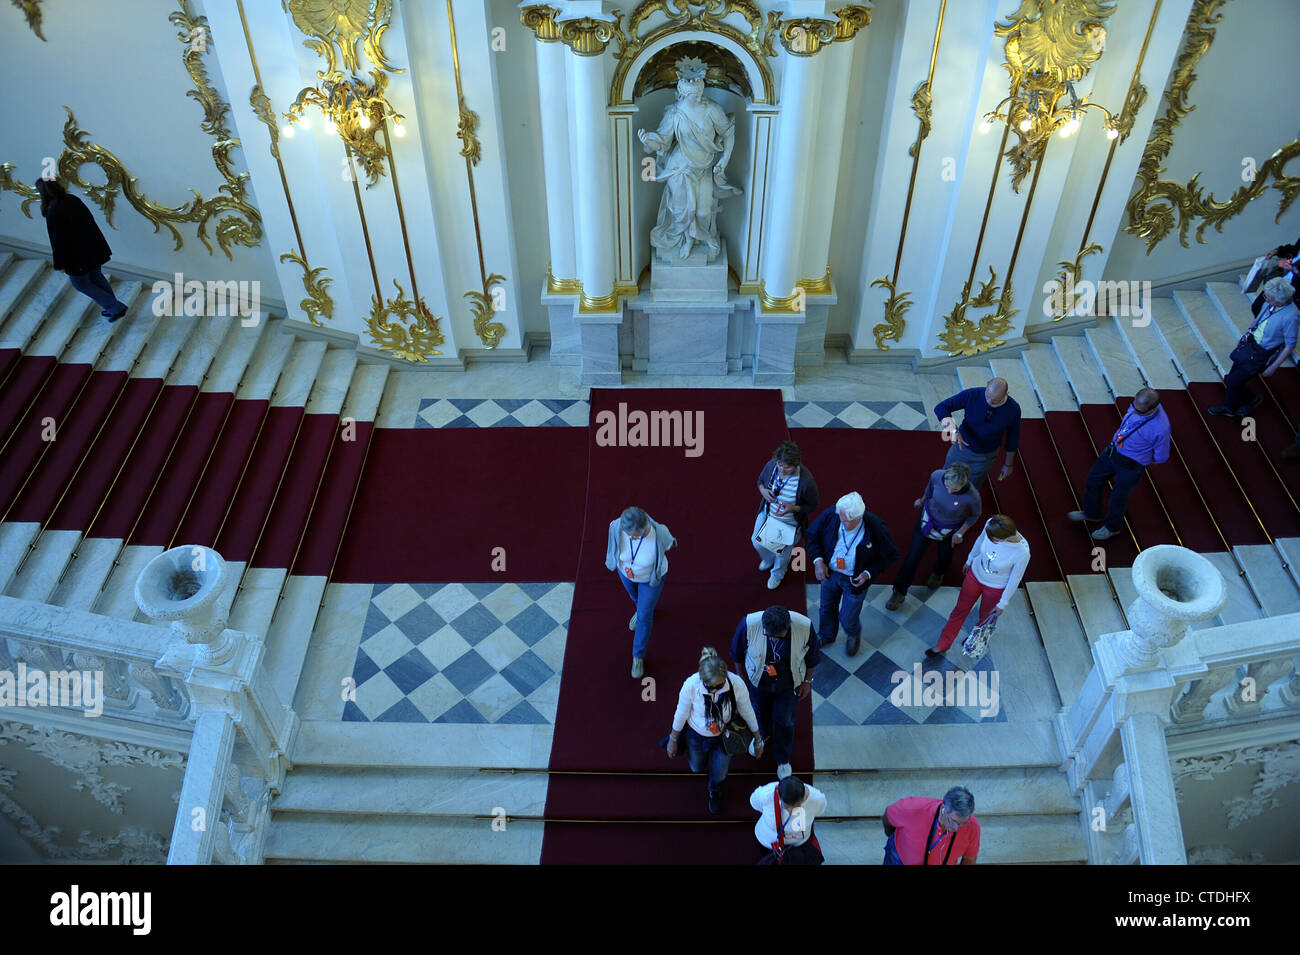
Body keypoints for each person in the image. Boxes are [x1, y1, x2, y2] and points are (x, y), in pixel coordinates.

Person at [637, 57, 742, 262]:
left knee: (703, 211)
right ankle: (687, 239)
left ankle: (703, 236)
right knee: (682, 210)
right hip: (679, 168)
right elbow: (663, 140)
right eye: (694, 95)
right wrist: (648, 141)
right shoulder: (675, 113)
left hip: (704, 166)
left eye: (700, 93)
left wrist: (725, 160)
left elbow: (728, 132)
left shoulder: (712, 109)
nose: (698, 98)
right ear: (684, 93)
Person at [667, 647, 763, 814]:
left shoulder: (736, 684)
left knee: (719, 773)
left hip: (724, 736)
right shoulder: (691, 685)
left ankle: (715, 790)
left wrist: (758, 738)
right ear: (703, 680)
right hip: (696, 735)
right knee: (697, 767)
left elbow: (747, 711)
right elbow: (681, 713)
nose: (716, 691)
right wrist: (673, 738)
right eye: (711, 688)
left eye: (720, 686)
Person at [1068, 387, 1170, 540]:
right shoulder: (1138, 406)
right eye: (1134, 405)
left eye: (1140, 411)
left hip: (1130, 466)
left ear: (1153, 409)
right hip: (1112, 451)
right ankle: (1091, 513)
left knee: (1118, 498)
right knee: (1093, 480)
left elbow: (1161, 456)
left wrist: (1141, 459)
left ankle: (1112, 527)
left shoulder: (1160, 428)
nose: (1134, 411)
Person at [807, 491, 899, 656]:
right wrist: (818, 560)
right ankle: (827, 635)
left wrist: (868, 573)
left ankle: (853, 634)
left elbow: (891, 555)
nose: (840, 520)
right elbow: (812, 534)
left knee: (848, 617)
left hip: (855, 580)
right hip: (830, 574)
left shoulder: (876, 527)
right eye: (840, 516)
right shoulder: (834, 514)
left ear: (859, 517)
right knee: (826, 608)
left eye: (845, 519)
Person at [731, 606, 818, 780]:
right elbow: (737, 655)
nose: (775, 641)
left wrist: (807, 682)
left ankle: (783, 758)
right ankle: (762, 734)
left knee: (785, 720)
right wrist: (742, 679)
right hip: (758, 680)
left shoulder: (805, 627)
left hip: (788, 683)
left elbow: (812, 658)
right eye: (770, 636)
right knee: (758, 710)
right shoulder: (749, 624)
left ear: (789, 627)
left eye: (780, 637)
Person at [886, 463, 982, 612]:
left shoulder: (972, 496)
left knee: (945, 555)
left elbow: (975, 515)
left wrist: (960, 532)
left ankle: (938, 572)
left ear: (963, 485)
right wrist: (922, 500)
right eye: (948, 485)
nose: (950, 490)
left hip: (949, 529)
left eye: (955, 489)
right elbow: (930, 488)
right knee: (912, 557)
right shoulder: (937, 475)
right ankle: (899, 591)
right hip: (928, 520)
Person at [930, 515, 1029, 657]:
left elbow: (1015, 578)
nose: (991, 541)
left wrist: (1002, 603)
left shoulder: (1022, 552)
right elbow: (980, 540)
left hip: (996, 588)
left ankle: (973, 641)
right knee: (960, 610)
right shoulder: (991, 524)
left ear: (1003, 539)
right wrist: (970, 559)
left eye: (993, 540)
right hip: (975, 576)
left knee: (984, 618)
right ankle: (943, 644)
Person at [36, 178, 129, 321]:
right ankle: (112, 306)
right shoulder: (72, 199)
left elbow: (58, 241)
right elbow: (90, 221)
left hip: (77, 256)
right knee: (97, 277)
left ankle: (115, 307)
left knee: (81, 284)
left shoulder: (53, 211)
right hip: (93, 247)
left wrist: (60, 264)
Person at [1208, 276, 1298, 418]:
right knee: (1232, 378)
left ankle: (1237, 405)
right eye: (1266, 296)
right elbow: (1258, 321)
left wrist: (1273, 367)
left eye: (1269, 298)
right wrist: (1245, 336)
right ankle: (1241, 403)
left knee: (1233, 381)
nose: (1265, 300)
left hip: (1262, 354)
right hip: (1250, 345)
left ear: (1281, 300)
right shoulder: (1269, 302)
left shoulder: (1291, 316)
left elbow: (1290, 345)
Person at [604, 506, 676, 678]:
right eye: (629, 535)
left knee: (645, 616)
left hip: (649, 580)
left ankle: (638, 655)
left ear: (645, 527)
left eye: (636, 536)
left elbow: (671, 543)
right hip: (626, 574)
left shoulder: (659, 532)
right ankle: (641, 608)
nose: (632, 538)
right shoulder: (616, 527)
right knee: (635, 598)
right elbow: (613, 546)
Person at [752, 440, 819, 590]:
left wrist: (793, 508)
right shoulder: (772, 465)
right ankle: (769, 560)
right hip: (768, 513)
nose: (781, 470)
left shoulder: (807, 482)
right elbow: (760, 481)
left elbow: (813, 505)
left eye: (786, 467)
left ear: (796, 464)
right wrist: (763, 491)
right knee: (756, 542)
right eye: (780, 465)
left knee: (782, 554)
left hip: (789, 522)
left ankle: (778, 574)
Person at [934, 378, 1021, 489]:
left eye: (994, 401)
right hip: (961, 446)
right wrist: (953, 430)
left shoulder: (1013, 409)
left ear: (1006, 394)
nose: (989, 402)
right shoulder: (973, 394)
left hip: (985, 455)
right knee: (946, 474)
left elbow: (1013, 438)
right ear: (987, 385)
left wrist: (1008, 464)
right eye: (987, 396)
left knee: (972, 484)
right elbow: (941, 408)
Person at [882, 786, 980, 865]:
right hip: (898, 860)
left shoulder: (972, 826)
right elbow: (888, 817)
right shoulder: (911, 809)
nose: (956, 828)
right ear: (943, 809)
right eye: (953, 821)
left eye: (962, 824)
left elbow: (969, 859)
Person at [750, 775, 827, 865]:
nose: (791, 812)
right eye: (787, 807)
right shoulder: (766, 794)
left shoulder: (817, 799)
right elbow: (755, 804)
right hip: (769, 843)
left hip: (799, 845)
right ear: (779, 796)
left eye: (796, 806)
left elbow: (819, 811)